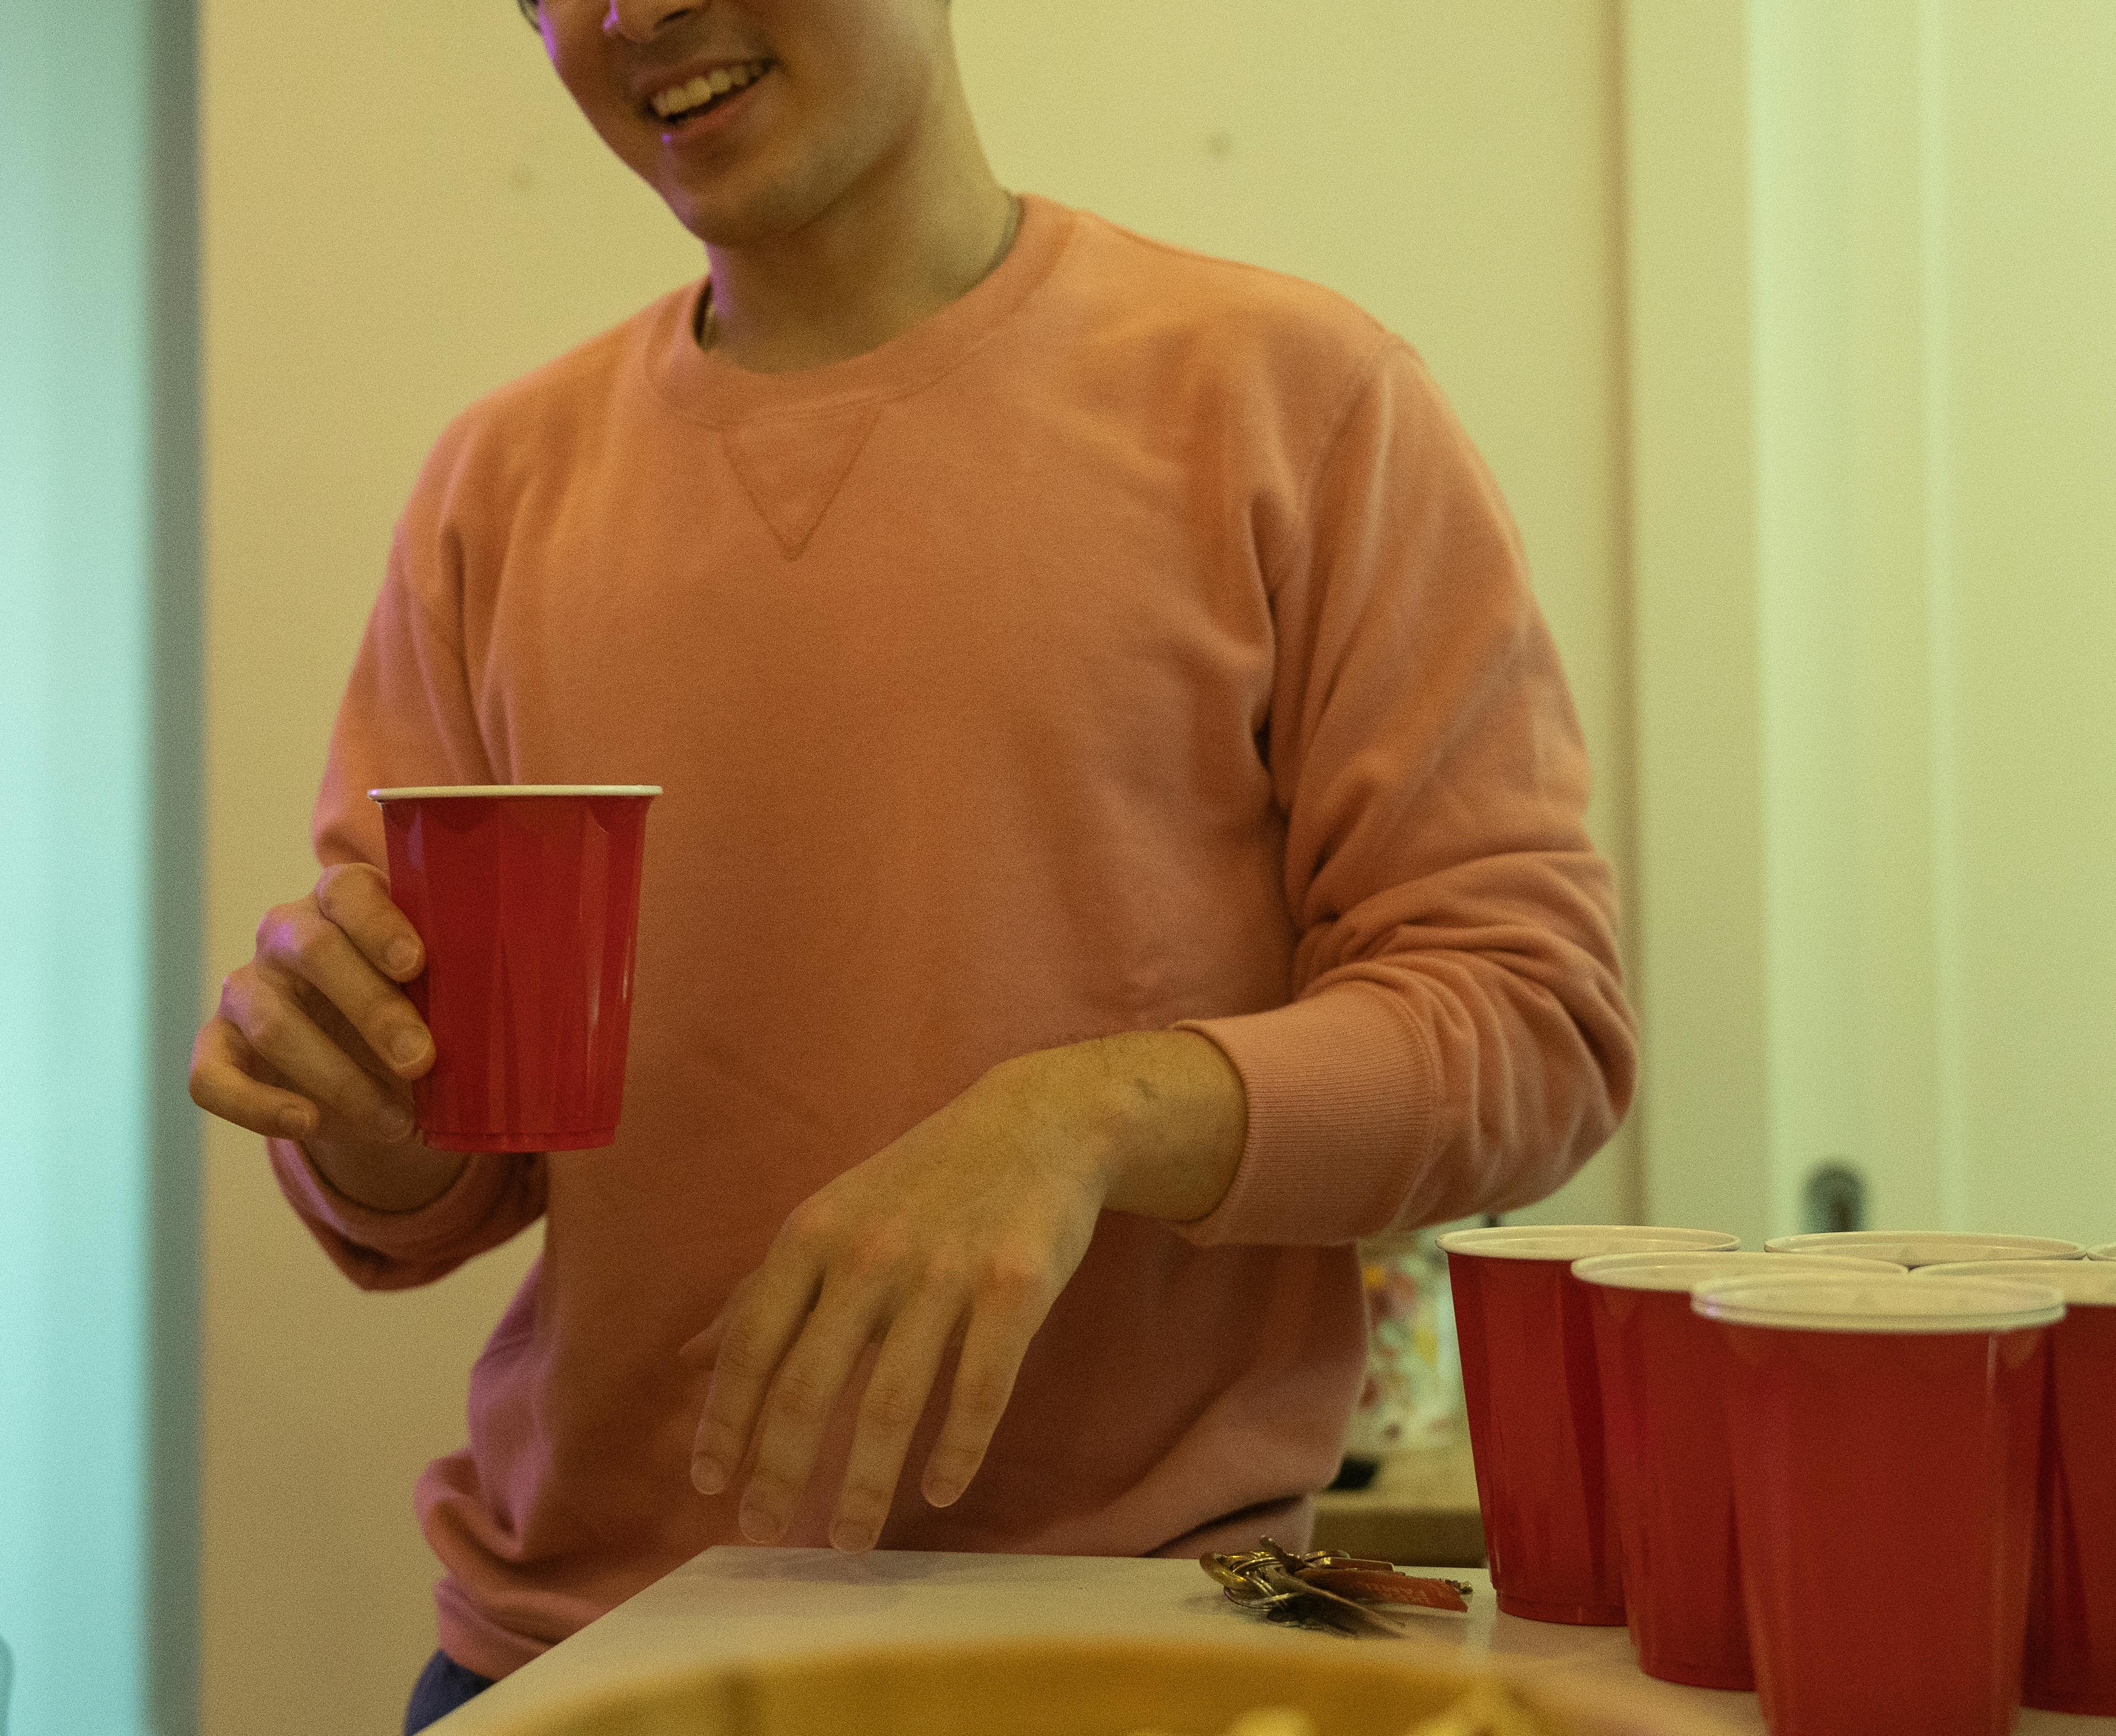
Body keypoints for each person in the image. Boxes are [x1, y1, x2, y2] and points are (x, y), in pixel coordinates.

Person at [185, 2, 1636, 1729]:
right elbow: (435, 1182)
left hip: (1129, 1659)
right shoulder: (495, 486)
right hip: (563, 1663)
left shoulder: (1295, 402)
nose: (633, 14)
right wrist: (360, 1109)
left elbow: (1534, 1019)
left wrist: (1087, 1115)